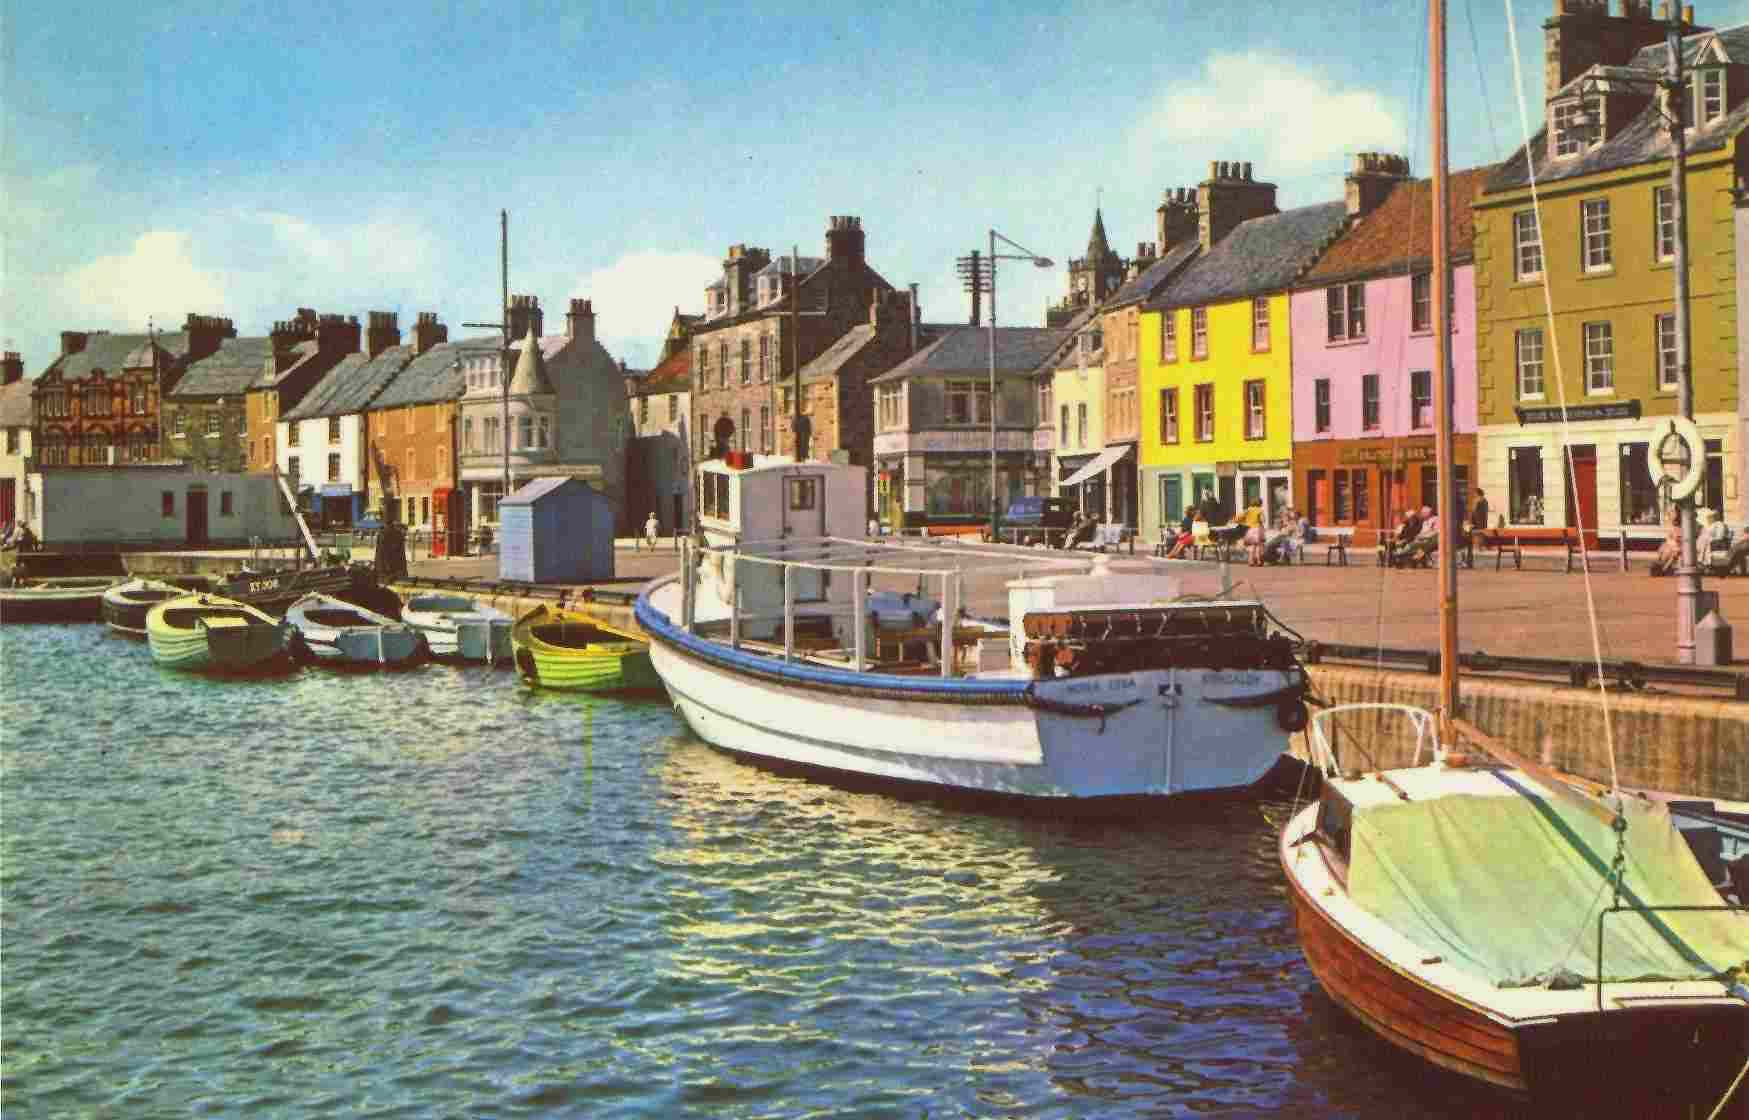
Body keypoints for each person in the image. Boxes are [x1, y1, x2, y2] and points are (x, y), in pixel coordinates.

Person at [1649, 504, 1681, 577]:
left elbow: (1679, 538)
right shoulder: (1672, 523)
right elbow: (1670, 536)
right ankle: (1662, 567)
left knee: (1674, 551)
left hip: (1680, 546)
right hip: (1673, 544)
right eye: (1671, 512)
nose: (1671, 514)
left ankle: (1664, 569)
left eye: (1673, 512)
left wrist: (1674, 541)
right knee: (1663, 548)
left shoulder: (1681, 524)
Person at [1466, 488, 1490, 568]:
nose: (1474, 494)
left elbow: (1474, 510)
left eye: (1475, 493)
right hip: (1482, 520)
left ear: (1477, 493)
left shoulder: (1478, 500)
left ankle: (1478, 546)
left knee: (1476, 533)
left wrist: (1471, 519)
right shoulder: (1485, 501)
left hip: (1477, 520)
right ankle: (1480, 545)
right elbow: (1486, 511)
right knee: (1480, 532)